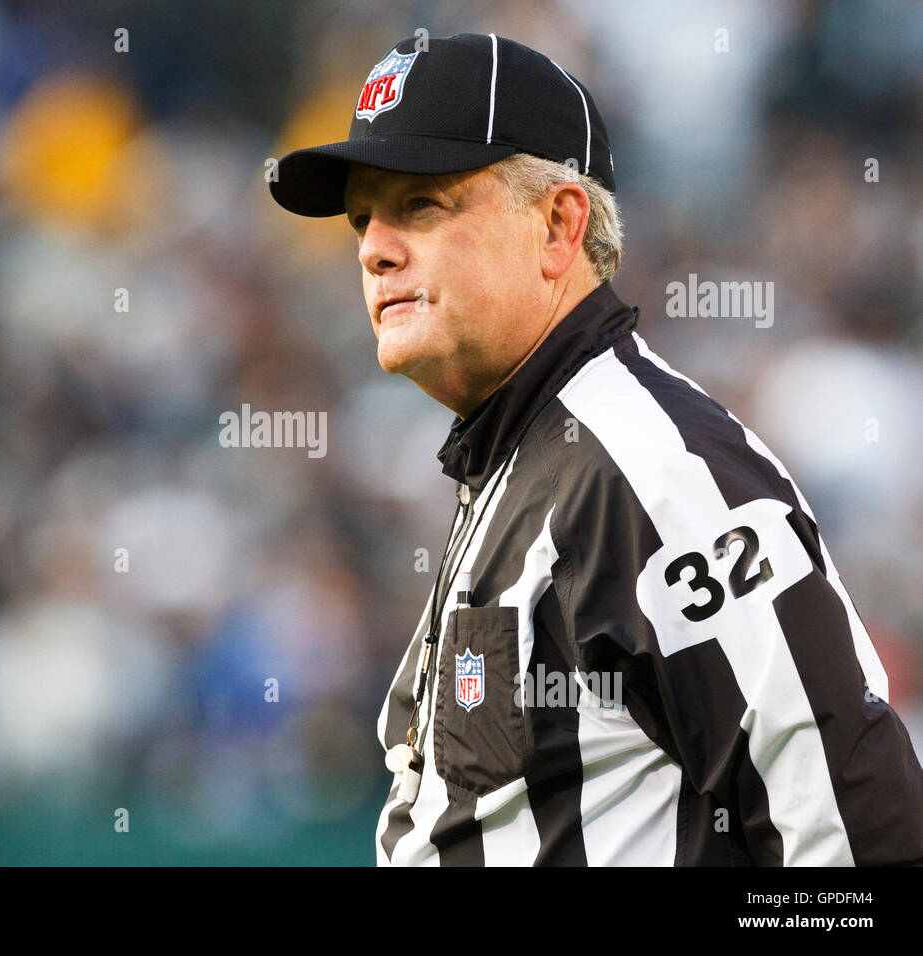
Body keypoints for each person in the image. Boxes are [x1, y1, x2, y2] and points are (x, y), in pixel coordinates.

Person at [269, 32, 923, 866]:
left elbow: (860, 838)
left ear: (558, 225)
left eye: (421, 206)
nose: (373, 247)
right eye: (365, 217)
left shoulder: (650, 466)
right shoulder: (527, 455)